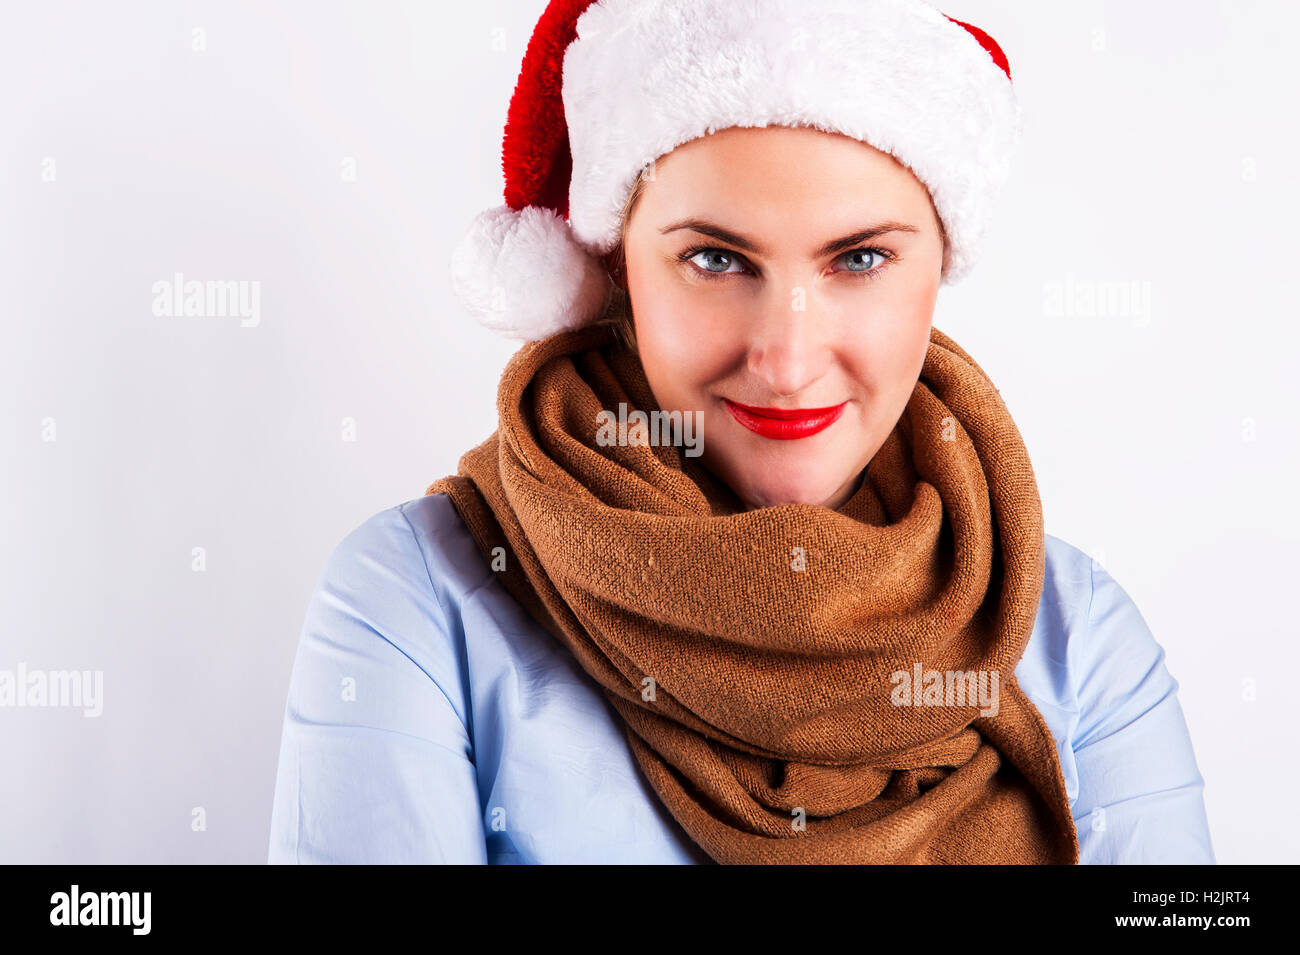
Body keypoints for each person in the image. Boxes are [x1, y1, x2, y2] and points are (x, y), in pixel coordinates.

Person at [268, 0, 1214, 864]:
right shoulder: (421, 604)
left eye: (862, 257)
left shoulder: (1077, 636)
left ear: (939, 267)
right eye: (716, 258)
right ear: (614, 268)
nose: (789, 357)